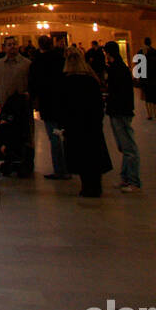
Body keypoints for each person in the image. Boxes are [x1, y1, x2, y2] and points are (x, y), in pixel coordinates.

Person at [59, 48, 112, 199]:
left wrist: (64, 123)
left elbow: (63, 106)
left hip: (75, 126)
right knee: (93, 156)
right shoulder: (91, 81)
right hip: (92, 125)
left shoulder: (66, 82)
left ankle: (86, 186)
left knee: (81, 157)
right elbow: (99, 104)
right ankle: (96, 186)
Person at [0, 34, 33, 168]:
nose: (12, 47)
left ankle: (27, 162)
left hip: (23, 107)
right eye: (9, 45)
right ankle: (11, 160)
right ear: (4, 48)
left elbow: (33, 83)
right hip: (6, 107)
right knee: (8, 134)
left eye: (14, 44)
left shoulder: (26, 64)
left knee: (26, 134)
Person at [29, 34, 71, 180]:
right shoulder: (60, 60)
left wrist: (33, 99)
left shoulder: (37, 62)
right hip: (62, 102)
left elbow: (33, 83)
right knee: (64, 135)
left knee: (53, 137)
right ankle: (69, 166)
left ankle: (59, 169)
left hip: (48, 103)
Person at [104, 42, 141, 191]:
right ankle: (125, 178)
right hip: (117, 110)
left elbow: (119, 91)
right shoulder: (117, 68)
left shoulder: (118, 69)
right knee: (123, 146)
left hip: (121, 111)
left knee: (128, 147)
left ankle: (134, 181)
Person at [140, 37, 156, 118]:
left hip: (146, 78)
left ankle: (149, 114)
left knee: (148, 97)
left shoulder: (141, 53)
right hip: (155, 77)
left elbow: (139, 65)